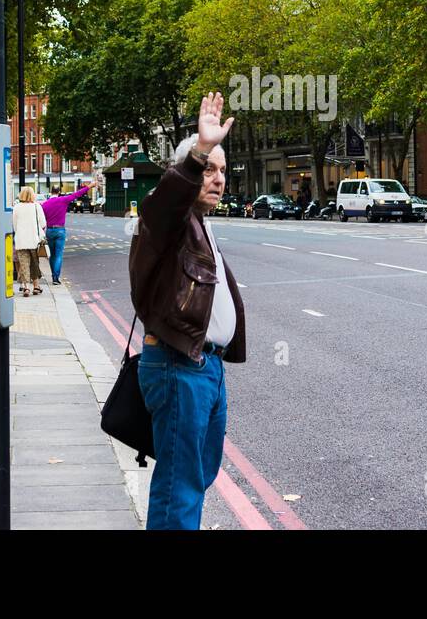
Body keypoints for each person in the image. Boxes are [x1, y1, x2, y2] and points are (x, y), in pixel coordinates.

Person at [131, 92, 246, 530]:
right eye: (208, 170)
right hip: (180, 367)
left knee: (194, 478)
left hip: (205, 368)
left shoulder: (202, 225)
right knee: (180, 485)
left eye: (222, 170)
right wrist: (198, 151)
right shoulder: (168, 221)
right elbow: (165, 200)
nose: (218, 179)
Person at [41, 182, 93, 286]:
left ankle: (53, 275)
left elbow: (41, 219)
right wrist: (90, 186)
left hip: (50, 231)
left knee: (52, 254)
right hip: (60, 230)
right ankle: (56, 278)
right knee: (59, 254)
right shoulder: (63, 200)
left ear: (50, 192)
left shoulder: (45, 204)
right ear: (59, 192)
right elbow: (77, 194)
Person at [11, 186, 48, 296]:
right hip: (34, 240)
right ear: (33, 195)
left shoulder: (16, 207)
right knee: (34, 263)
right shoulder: (37, 207)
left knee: (24, 264)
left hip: (21, 240)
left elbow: (14, 225)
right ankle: (36, 286)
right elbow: (43, 224)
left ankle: (26, 287)